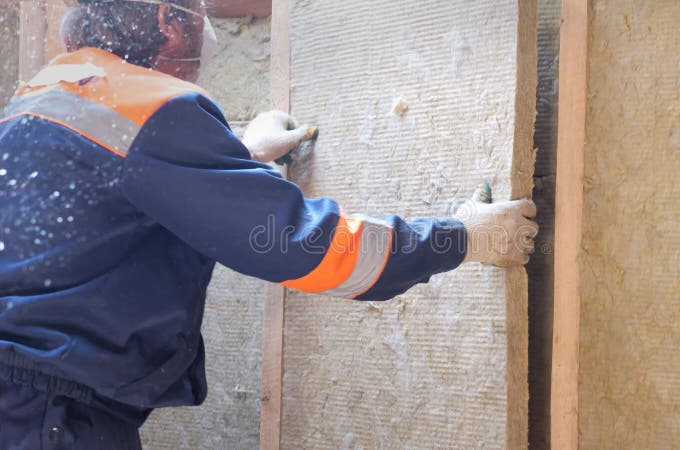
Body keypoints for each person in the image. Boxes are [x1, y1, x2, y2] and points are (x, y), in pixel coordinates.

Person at [0, 0, 538, 448]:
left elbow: (121, 206)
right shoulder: (155, 107)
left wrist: (238, 158)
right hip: (53, 419)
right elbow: (309, 249)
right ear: (167, 20)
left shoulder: (43, 95)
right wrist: (463, 237)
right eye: (197, 15)